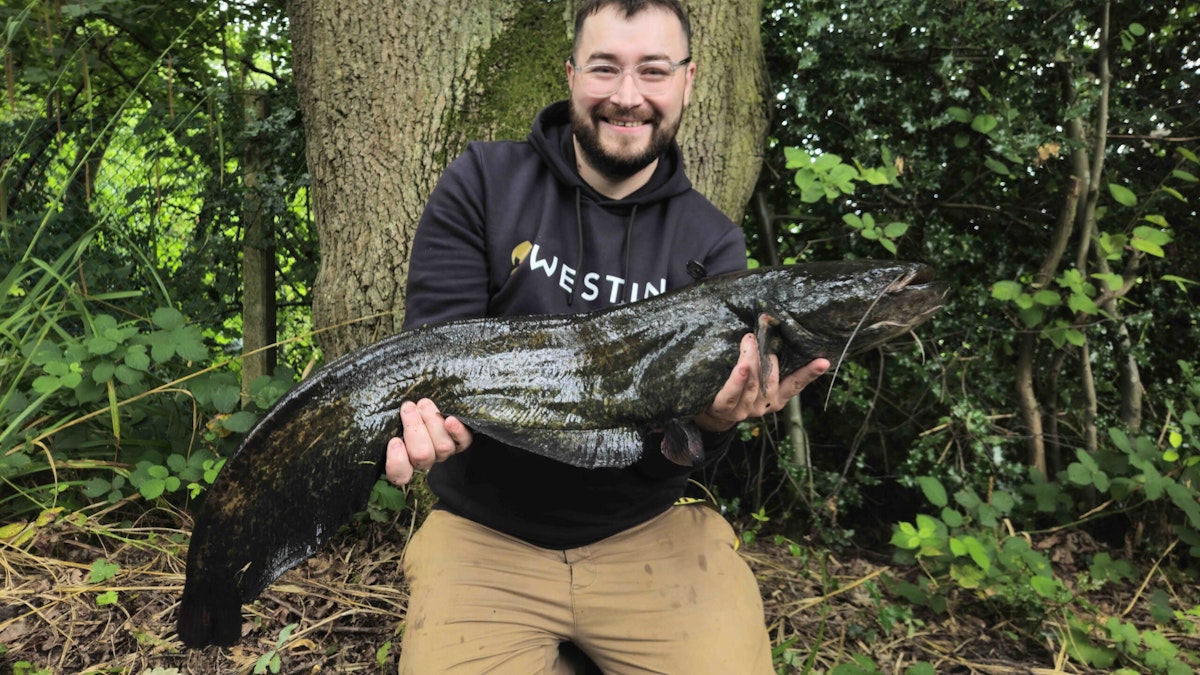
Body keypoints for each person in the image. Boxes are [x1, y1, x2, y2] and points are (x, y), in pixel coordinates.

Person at [384, 0, 829, 672]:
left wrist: (713, 423)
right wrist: (426, 423)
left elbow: (686, 450)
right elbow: (436, 356)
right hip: (484, 536)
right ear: (570, 75)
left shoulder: (713, 242)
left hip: (646, 534)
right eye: (604, 68)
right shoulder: (483, 181)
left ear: (687, 80)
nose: (627, 95)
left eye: (653, 70)